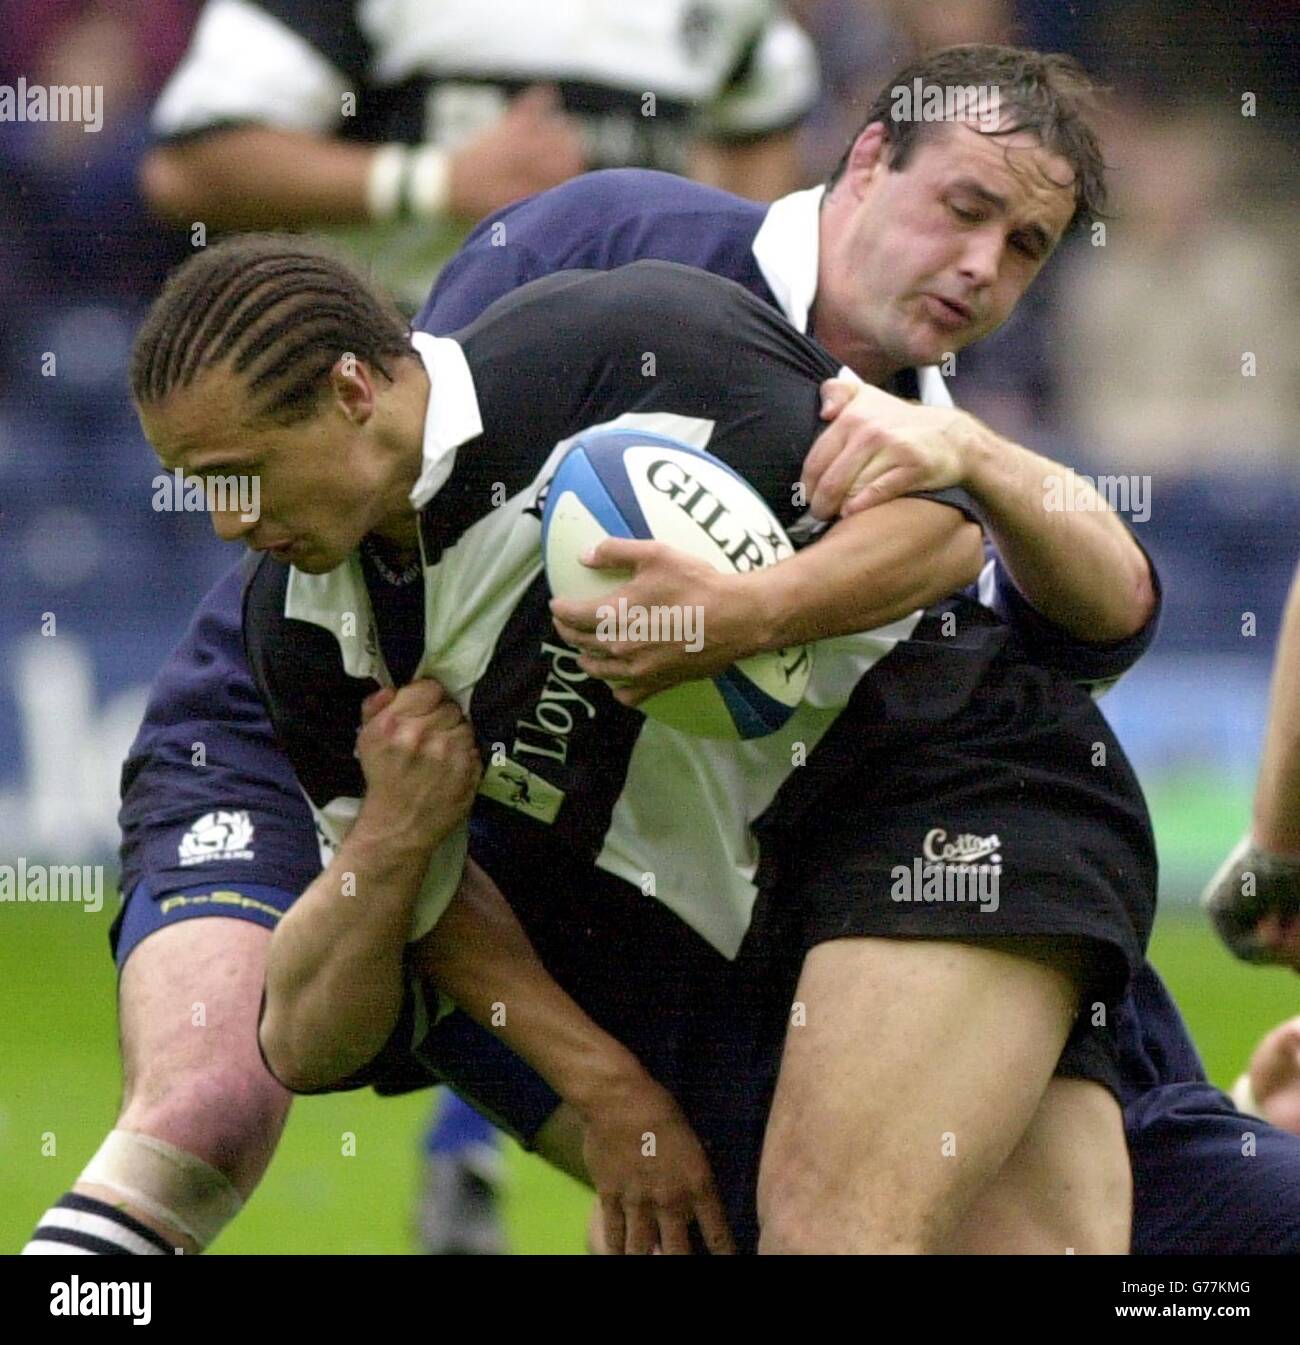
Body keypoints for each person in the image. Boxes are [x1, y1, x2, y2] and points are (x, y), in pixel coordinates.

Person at [121, 220, 1155, 1254]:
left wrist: (746, 614)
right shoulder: (303, 630)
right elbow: (432, 907)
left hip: (956, 782)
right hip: (767, 920)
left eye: (237, 474)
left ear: (351, 392)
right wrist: (609, 1096)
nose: (225, 521)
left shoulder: (618, 347)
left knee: (832, 1234)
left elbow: (935, 529)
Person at [140, 0, 817, 307]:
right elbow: (189, 165)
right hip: (402, 374)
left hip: (643, 395)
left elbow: (759, 130)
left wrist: (731, 299)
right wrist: (434, 182)